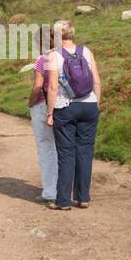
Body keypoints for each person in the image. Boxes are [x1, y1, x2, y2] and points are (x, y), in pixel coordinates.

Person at [45, 21, 100, 210]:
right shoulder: (87, 51)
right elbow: (97, 82)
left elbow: (52, 87)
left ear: (56, 36)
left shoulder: (53, 56)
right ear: (72, 34)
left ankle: (63, 201)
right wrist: (96, 104)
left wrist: (50, 113)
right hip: (89, 105)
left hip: (65, 107)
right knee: (85, 152)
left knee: (66, 154)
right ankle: (83, 198)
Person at [28, 44, 58, 204]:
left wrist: (30, 102)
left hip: (44, 105)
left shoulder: (43, 58)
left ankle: (50, 192)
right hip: (65, 106)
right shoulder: (64, 56)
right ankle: (67, 189)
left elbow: (38, 86)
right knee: (64, 148)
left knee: (46, 148)